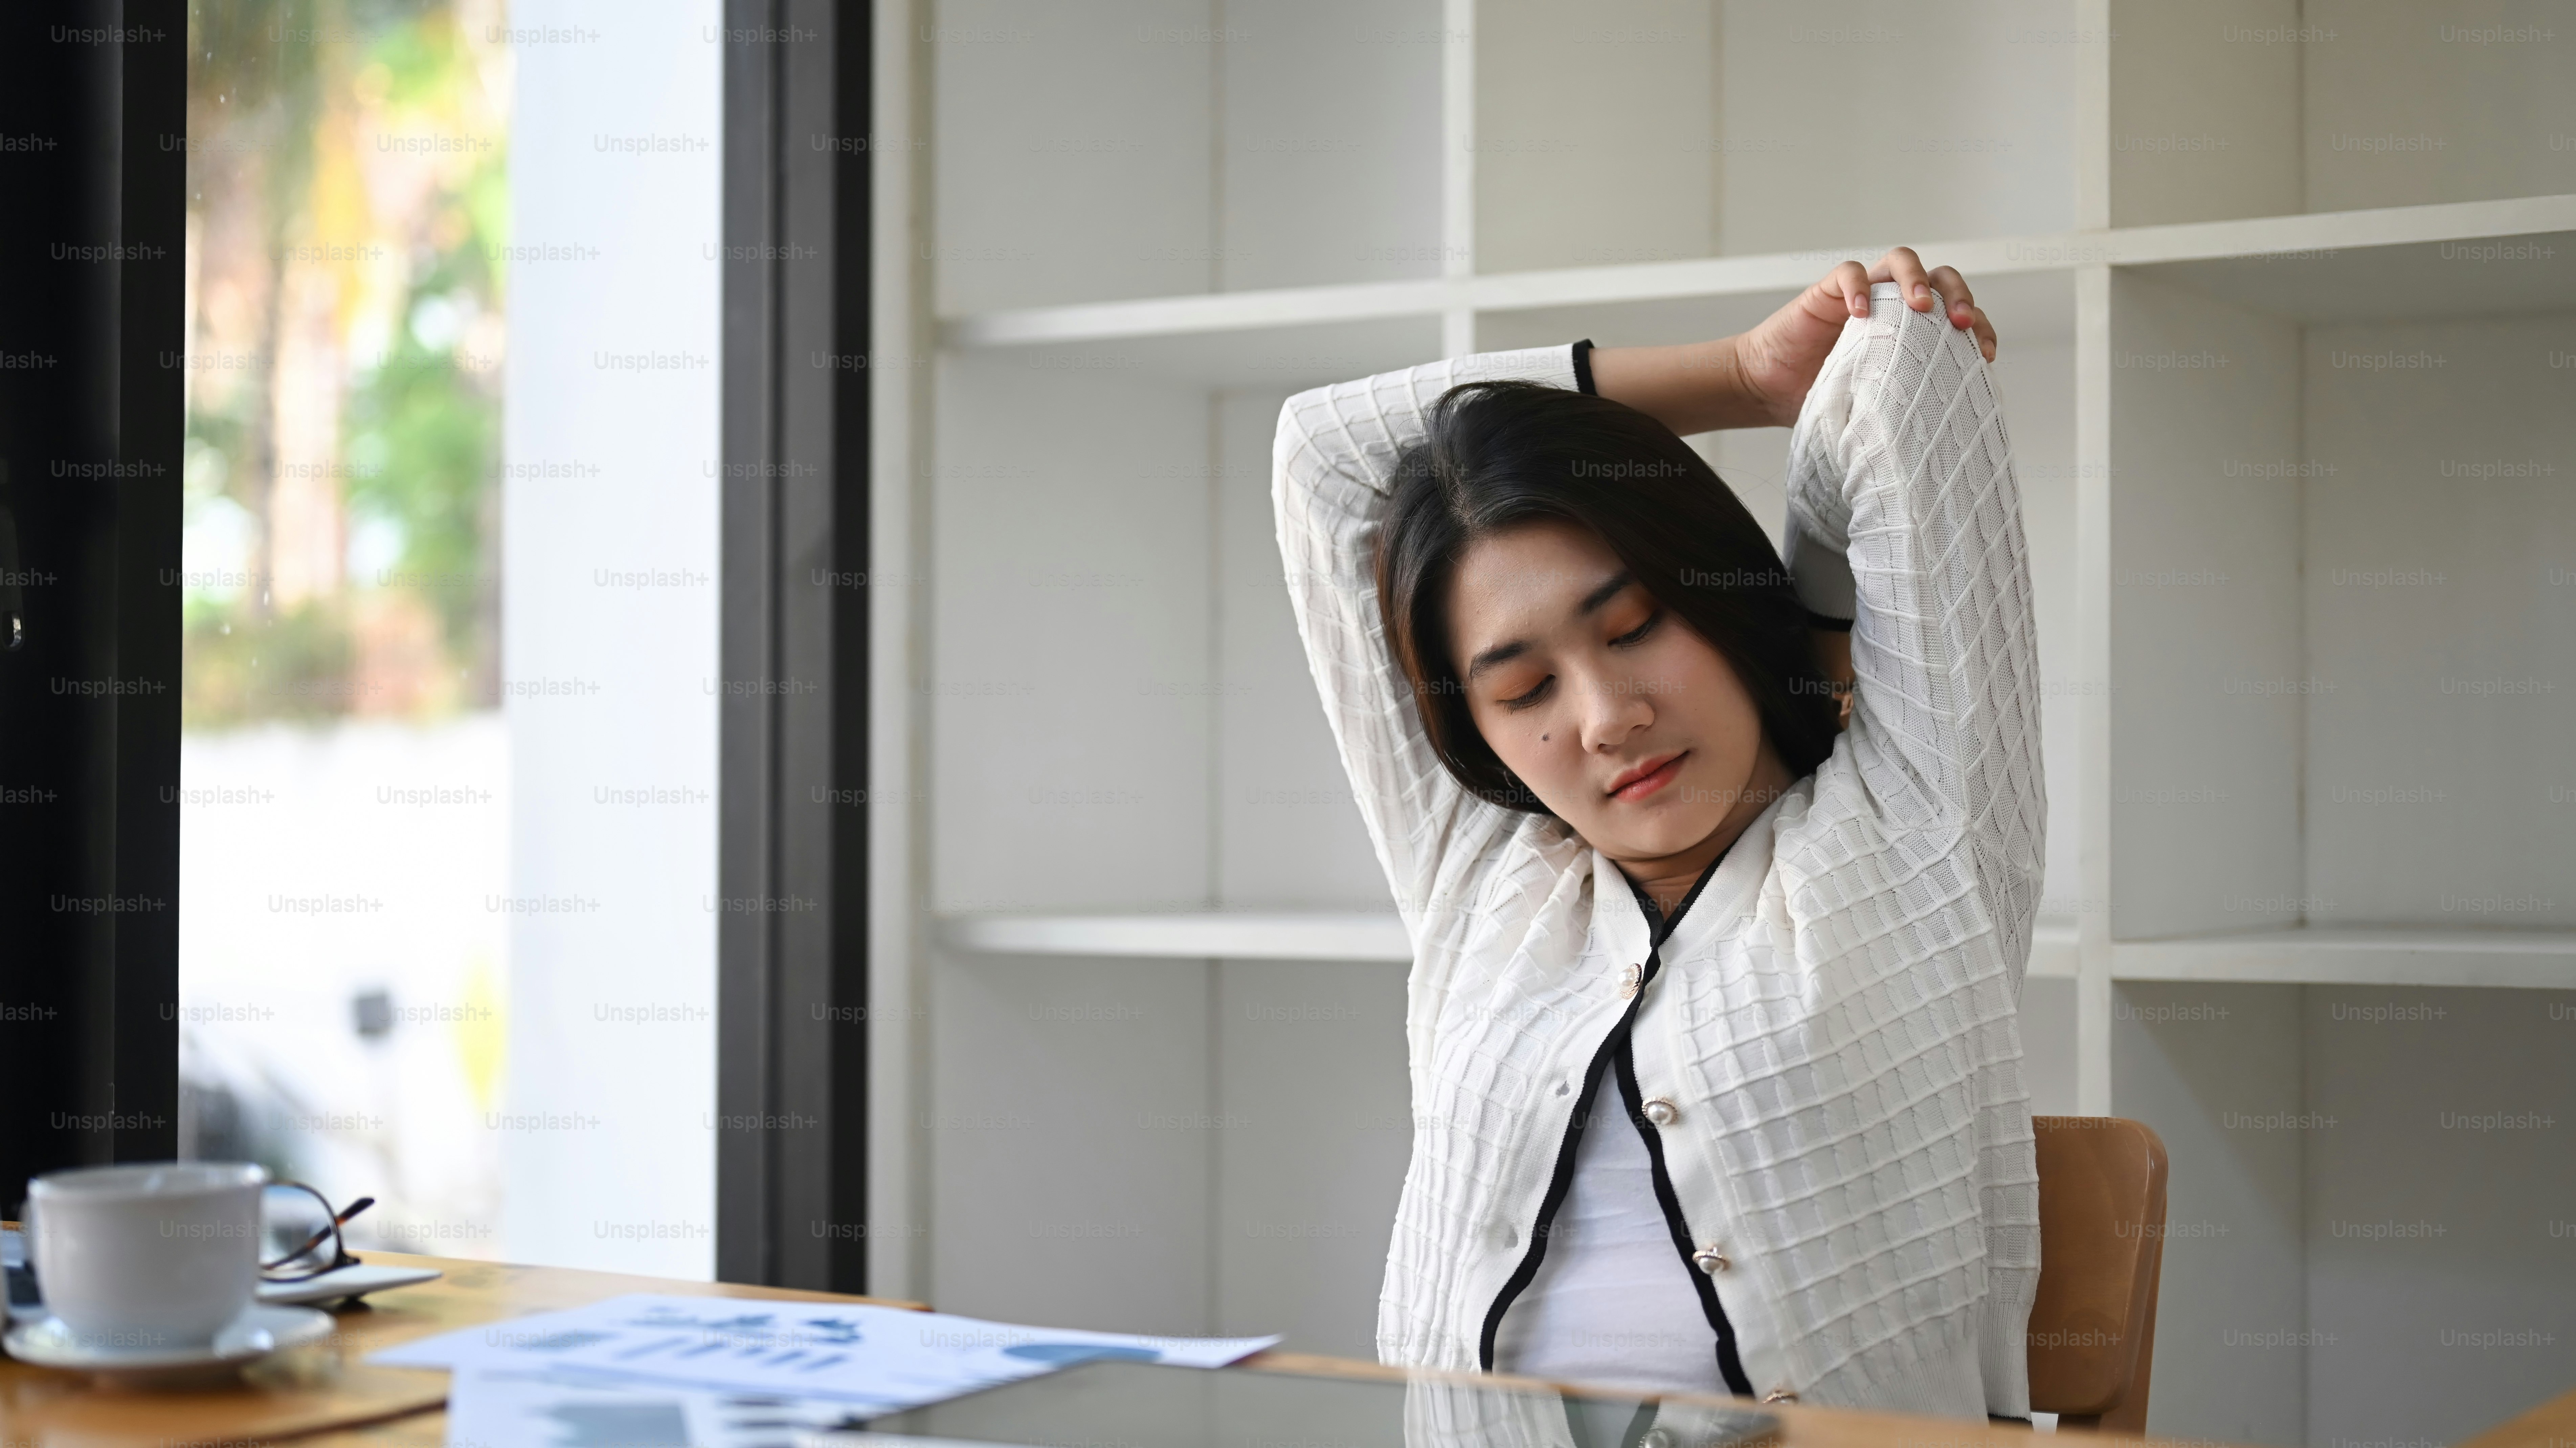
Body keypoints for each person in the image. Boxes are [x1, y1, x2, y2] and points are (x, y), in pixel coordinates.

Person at [1271, 250, 2040, 1417]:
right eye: (1524, 693)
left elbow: (1901, 369)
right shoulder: (1480, 867)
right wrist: (1726, 374)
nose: (1606, 718)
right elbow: (1324, 454)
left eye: (1633, 627)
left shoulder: (1915, 825)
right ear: (1476, 728)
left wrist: (1773, 395)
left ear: (1719, 592)